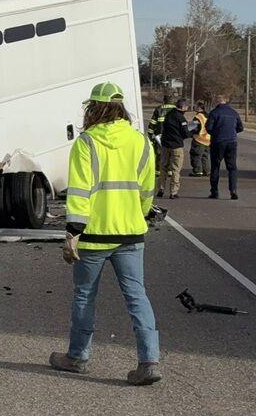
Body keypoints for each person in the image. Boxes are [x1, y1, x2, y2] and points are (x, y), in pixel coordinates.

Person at [50, 81, 161, 386]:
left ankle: (77, 357)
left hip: (94, 237)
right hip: (130, 234)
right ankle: (149, 361)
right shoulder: (141, 141)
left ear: (93, 108)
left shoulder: (86, 143)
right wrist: (138, 215)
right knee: (137, 297)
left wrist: (72, 233)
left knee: (85, 295)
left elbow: (80, 193)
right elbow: (148, 189)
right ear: (120, 108)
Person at [205, 94, 245, 200]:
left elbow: (208, 127)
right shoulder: (234, 113)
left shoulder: (214, 113)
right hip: (232, 141)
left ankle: (215, 191)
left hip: (218, 142)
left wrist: (216, 133)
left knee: (215, 166)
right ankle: (233, 190)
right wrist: (231, 132)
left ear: (217, 102)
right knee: (232, 167)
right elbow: (240, 127)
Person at [157, 98, 189, 199]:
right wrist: (191, 132)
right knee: (176, 169)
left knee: (163, 167)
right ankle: (173, 192)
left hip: (165, 145)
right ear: (183, 107)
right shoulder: (181, 118)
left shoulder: (168, 115)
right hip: (176, 146)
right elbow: (185, 133)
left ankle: (161, 189)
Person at [188, 101, 211, 177]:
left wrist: (190, 134)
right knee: (205, 156)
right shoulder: (208, 116)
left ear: (199, 108)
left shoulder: (198, 117)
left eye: (195, 106)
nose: (194, 107)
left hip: (199, 139)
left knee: (196, 155)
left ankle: (198, 171)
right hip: (208, 139)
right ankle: (206, 170)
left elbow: (191, 128)